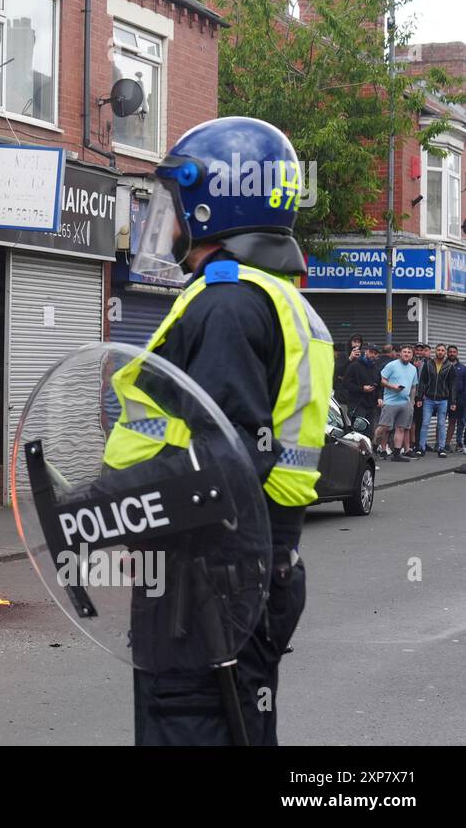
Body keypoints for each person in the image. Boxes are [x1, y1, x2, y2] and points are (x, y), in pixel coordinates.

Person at [121, 116, 331, 746]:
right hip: (253, 567)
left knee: (192, 728)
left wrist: (101, 508)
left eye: (178, 203)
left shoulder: (228, 303)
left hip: (205, 581)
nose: (172, 221)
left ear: (217, 201)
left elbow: (225, 462)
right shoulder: (277, 298)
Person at [376, 345, 418, 462]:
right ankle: (376, 447)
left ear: (412, 355)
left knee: (401, 428)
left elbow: (414, 387)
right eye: (404, 352)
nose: (406, 354)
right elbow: (382, 380)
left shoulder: (413, 369)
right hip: (390, 401)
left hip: (405, 402)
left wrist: (412, 402)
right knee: (384, 427)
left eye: (409, 352)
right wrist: (393, 387)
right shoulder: (392, 365)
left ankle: (396, 454)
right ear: (400, 353)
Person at [418, 343, 454, 458]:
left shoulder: (449, 366)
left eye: (442, 350)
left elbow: (452, 385)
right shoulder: (428, 364)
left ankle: (441, 448)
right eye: (438, 350)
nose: (440, 352)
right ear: (435, 352)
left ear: (445, 353)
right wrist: (419, 397)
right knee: (425, 423)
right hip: (428, 399)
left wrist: (453, 402)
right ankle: (421, 448)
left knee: (441, 424)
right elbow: (422, 382)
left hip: (443, 400)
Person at [341, 342, 381, 426]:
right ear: (366, 351)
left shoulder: (376, 369)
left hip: (371, 406)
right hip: (357, 405)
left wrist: (379, 397)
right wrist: (362, 388)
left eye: (375, 353)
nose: (373, 355)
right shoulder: (354, 366)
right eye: (371, 352)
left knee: (370, 434)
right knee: (358, 433)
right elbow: (346, 384)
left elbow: (379, 386)